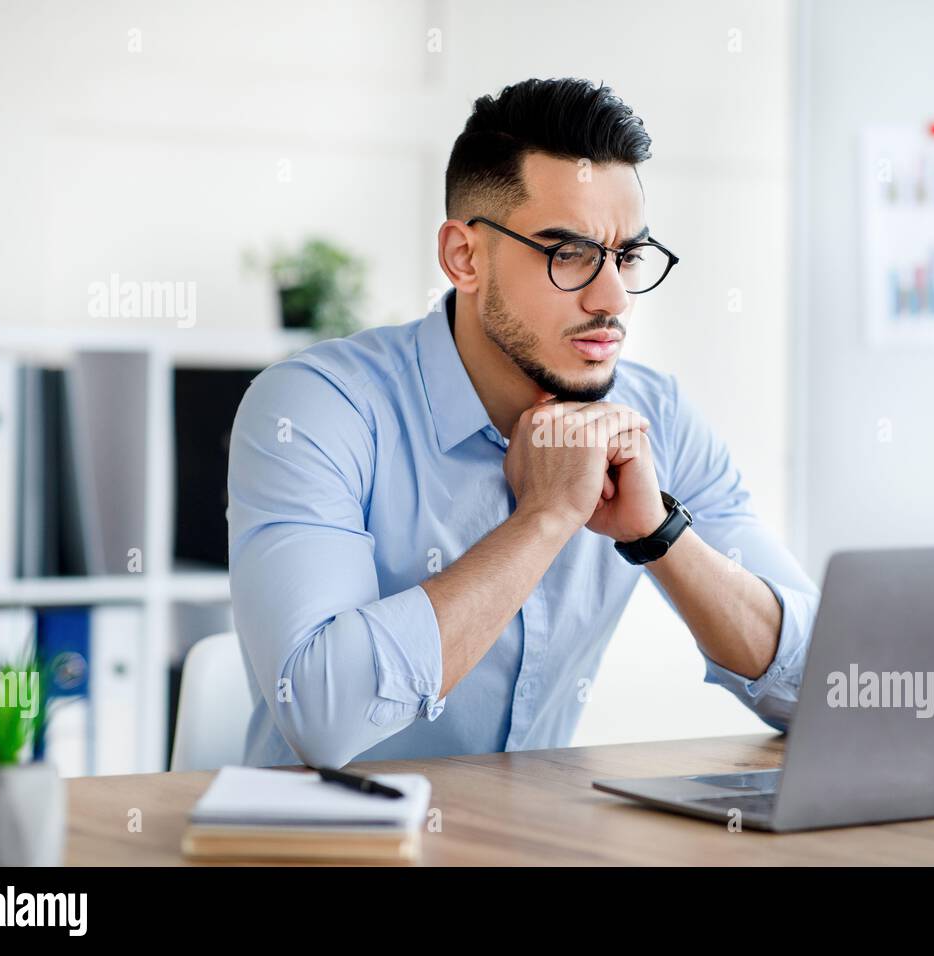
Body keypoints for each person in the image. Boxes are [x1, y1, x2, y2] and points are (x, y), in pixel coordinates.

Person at [227, 77, 819, 769]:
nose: (614, 298)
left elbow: (824, 692)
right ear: (464, 257)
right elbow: (321, 718)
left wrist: (659, 534)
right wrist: (544, 519)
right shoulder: (317, 408)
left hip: (531, 839)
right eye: (568, 254)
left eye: (627, 256)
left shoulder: (655, 416)